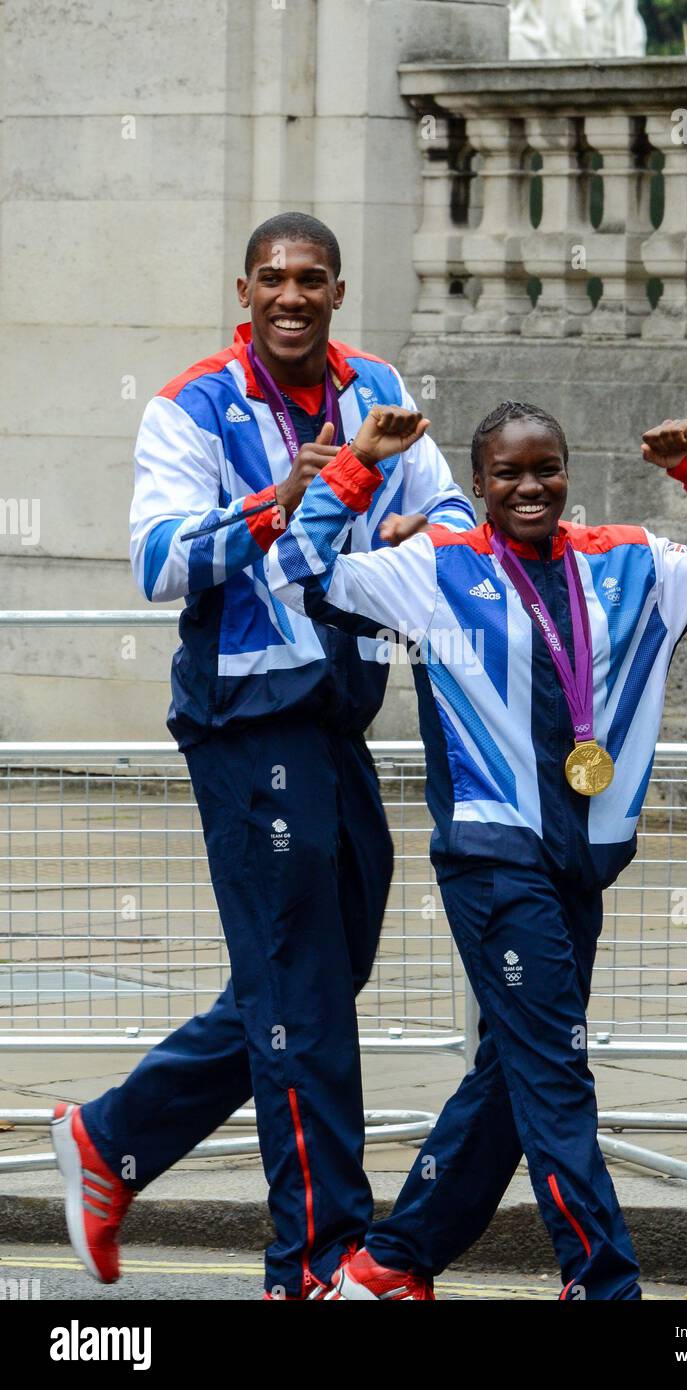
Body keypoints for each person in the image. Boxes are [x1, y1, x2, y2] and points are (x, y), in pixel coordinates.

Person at [264, 399, 687, 1300]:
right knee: (555, 1074)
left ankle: (393, 1261)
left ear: (567, 474)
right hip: (494, 862)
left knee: (514, 1069)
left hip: (584, 862)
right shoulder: (436, 569)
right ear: (478, 486)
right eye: (507, 473)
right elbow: (296, 571)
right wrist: (355, 465)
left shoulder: (634, 565)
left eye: (545, 467)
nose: (530, 486)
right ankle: (602, 1280)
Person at [50, 213, 475, 1300]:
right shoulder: (193, 404)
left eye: (312, 280)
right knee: (303, 991)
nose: (291, 295)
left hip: (338, 710)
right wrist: (278, 500)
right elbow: (156, 560)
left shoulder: (375, 386)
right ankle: (317, 1261)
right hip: (246, 716)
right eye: (272, 279)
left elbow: (455, 510)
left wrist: (407, 538)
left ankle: (113, 1140)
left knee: (324, 972)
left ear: (337, 292)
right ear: (244, 291)